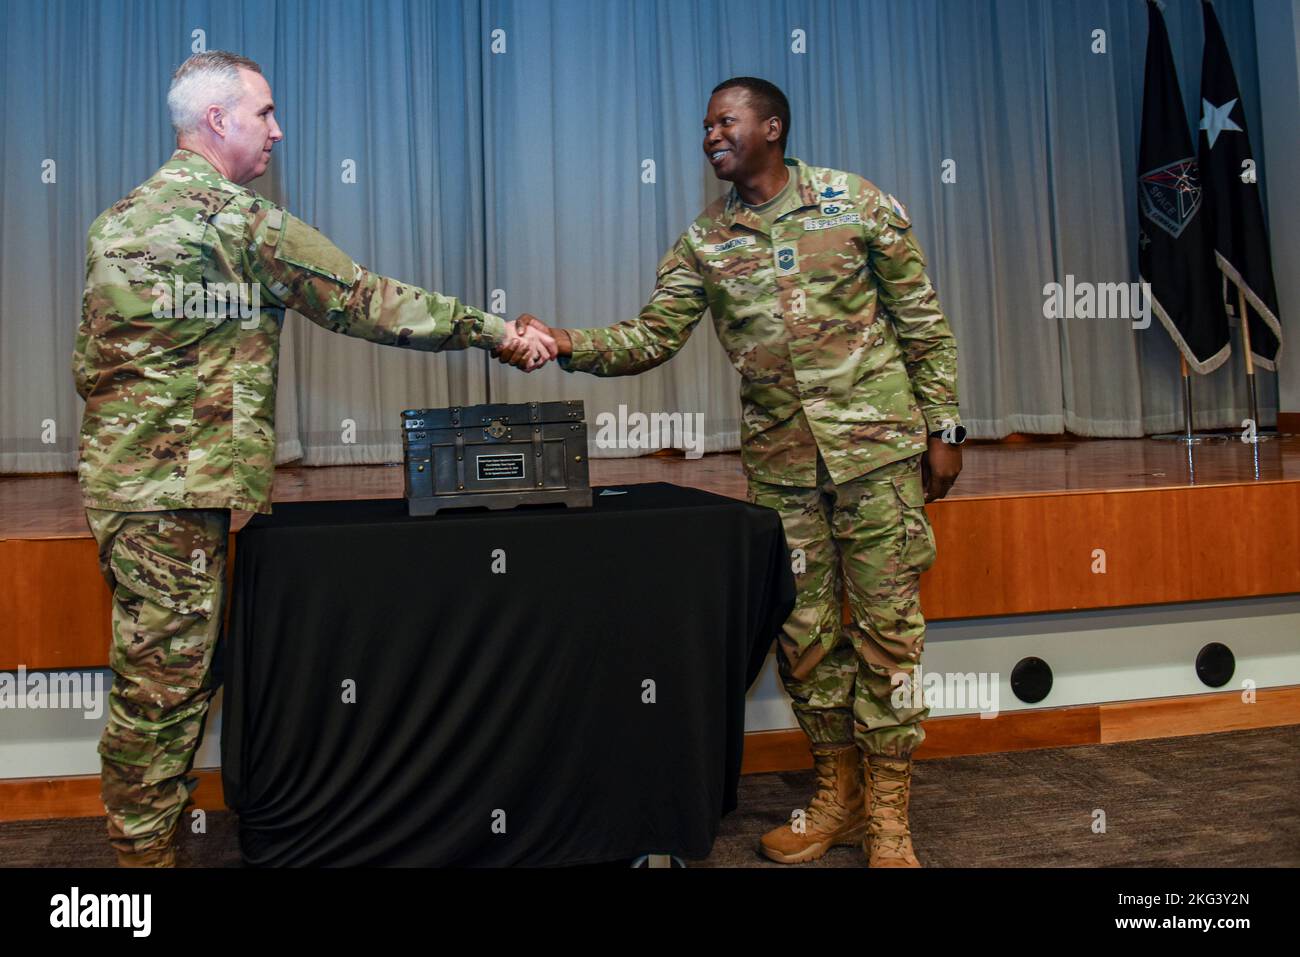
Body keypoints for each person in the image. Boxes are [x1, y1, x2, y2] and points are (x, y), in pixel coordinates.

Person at [72, 50, 556, 867]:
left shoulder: (116, 218)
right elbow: (366, 300)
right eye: (264, 113)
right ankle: (142, 865)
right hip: (178, 493)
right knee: (164, 691)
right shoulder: (237, 220)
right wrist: (498, 332)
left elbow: (92, 362)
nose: (278, 130)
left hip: (126, 487)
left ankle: (141, 846)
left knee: (155, 675)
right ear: (218, 119)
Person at [498, 77, 963, 867]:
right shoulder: (704, 243)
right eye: (706, 125)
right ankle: (838, 798)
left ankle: (890, 818)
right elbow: (651, 336)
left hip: (878, 454)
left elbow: (921, 318)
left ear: (771, 126)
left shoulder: (853, 202)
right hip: (784, 471)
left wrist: (944, 427)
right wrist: (566, 340)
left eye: (726, 120)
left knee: (888, 636)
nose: (711, 133)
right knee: (806, 639)